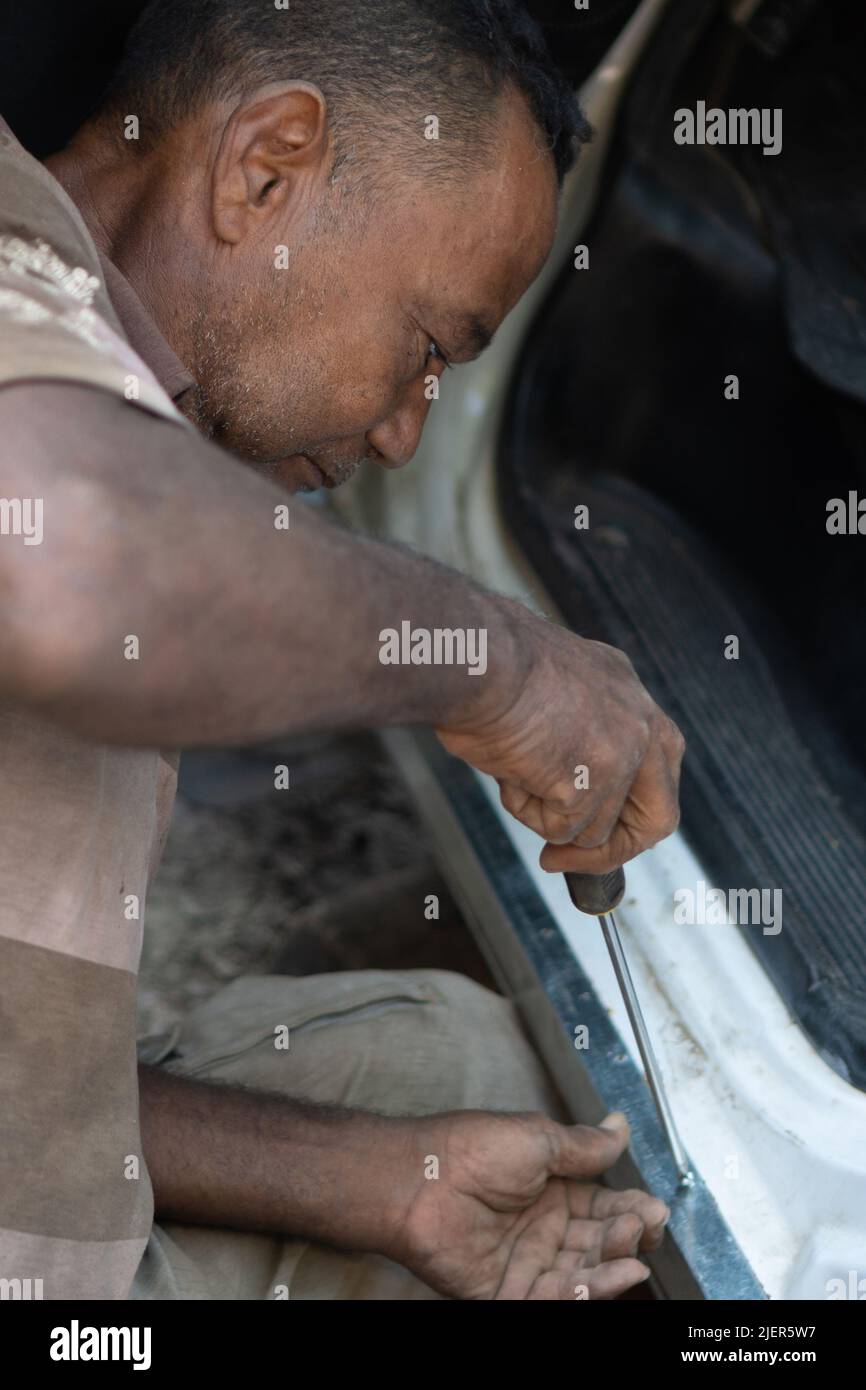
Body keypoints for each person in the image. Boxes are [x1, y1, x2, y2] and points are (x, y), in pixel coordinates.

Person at [0, 0, 683, 1300]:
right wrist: (497, 663)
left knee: (473, 1078)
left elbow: (35, 1082)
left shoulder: (122, 419)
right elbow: (71, 564)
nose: (401, 437)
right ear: (265, 168)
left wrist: (384, 1183)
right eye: (427, 349)